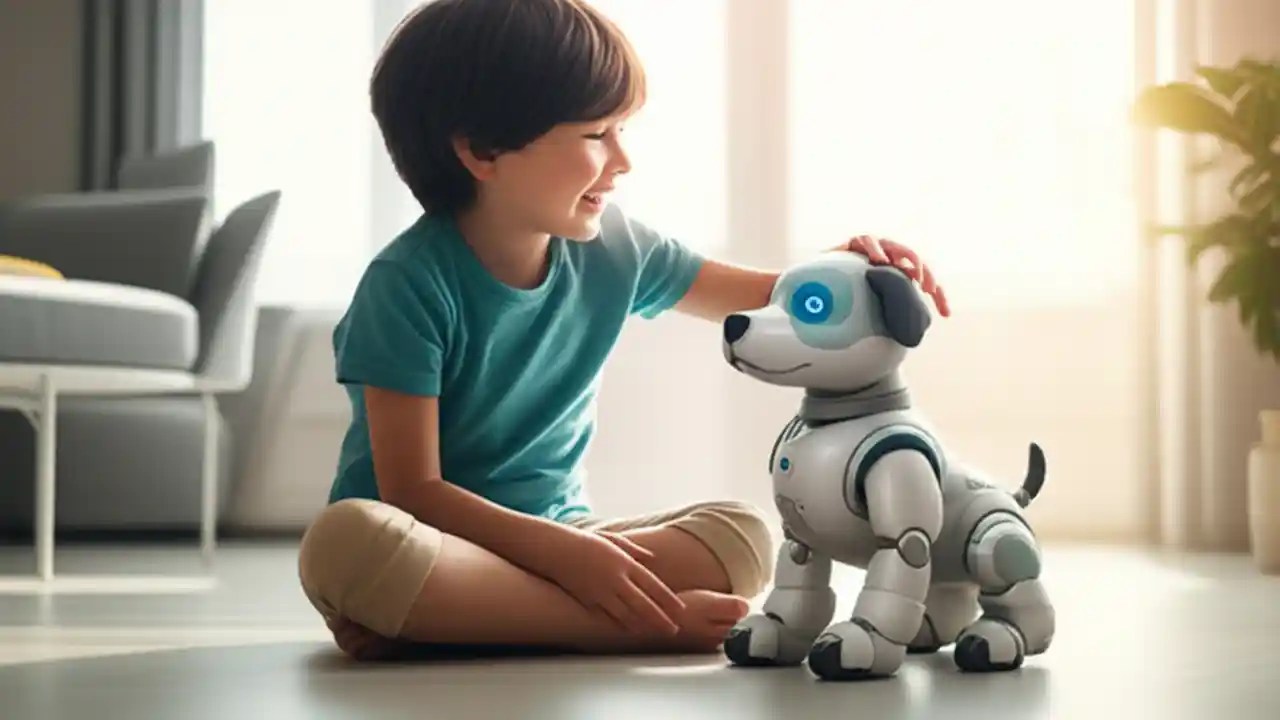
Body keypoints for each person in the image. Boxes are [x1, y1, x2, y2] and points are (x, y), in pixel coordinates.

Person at [296, 0, 949, 661]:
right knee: (345, 543)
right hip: (431, 539)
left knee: (743, 533)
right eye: (596, 135)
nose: (623, 161)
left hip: (564, 538)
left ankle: (464, 621)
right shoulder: (406, 284)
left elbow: (771, 297)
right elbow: (414, 493)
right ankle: (609, 622)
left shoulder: (616, 249)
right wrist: (568, 558)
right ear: (481, 150)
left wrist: (849, 265)